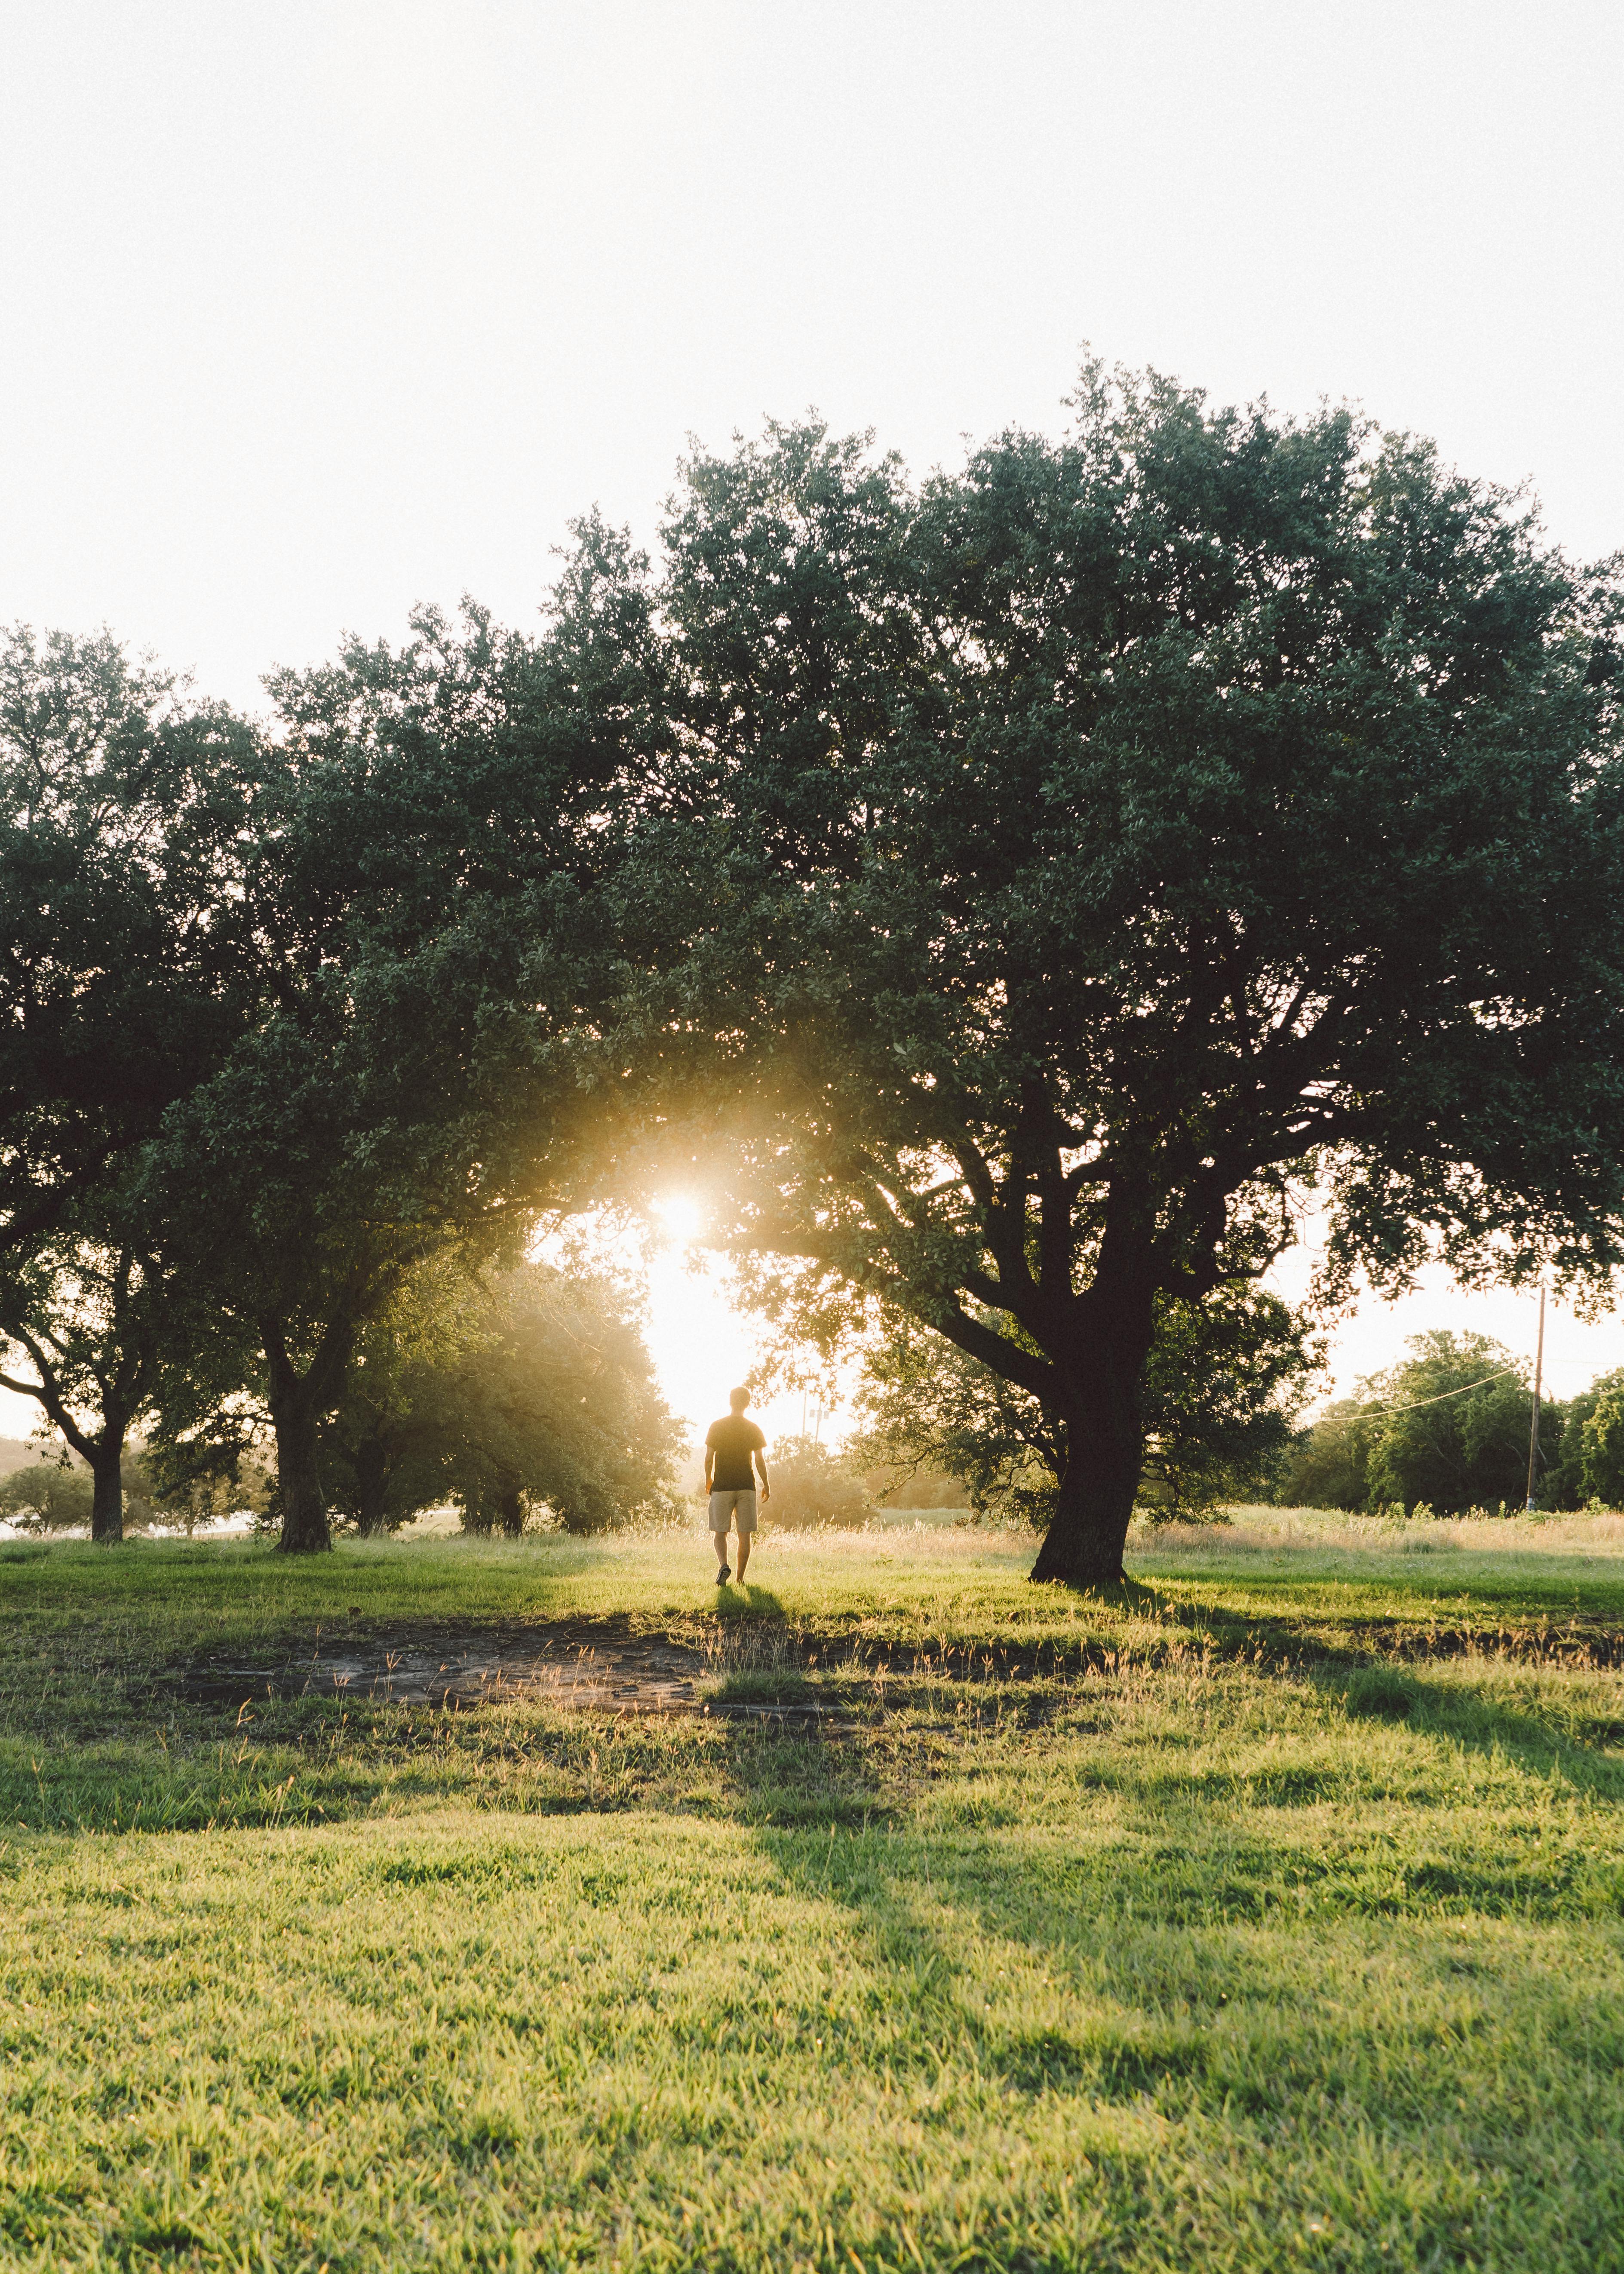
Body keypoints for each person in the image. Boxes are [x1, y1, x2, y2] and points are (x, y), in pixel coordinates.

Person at [703, 1386, 769, 1585]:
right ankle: (740, 1579)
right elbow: (759, 1461)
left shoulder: (716, 1426)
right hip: (746, 1486)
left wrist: (708, 1479)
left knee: (720, 1532)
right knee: (745, 1534)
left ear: (730, 1402)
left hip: (722, 1485)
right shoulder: (753, 1428)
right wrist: (766, 1484)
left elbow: (708, 1458)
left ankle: (724, 1566)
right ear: (748, 1404)